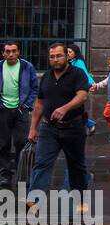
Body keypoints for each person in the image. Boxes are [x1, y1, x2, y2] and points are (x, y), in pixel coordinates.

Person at [27, 43, 90, 195]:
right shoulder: (46, 76)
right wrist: (33, 128)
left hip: (73, 128)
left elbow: (82, 96)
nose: (56, 59)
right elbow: (40, 103)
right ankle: (34, 202)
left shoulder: (77, 74)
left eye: (59, 56)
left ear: (67, 56)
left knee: (76, 167)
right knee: (41, 164)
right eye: (52, 57)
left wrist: (65, 108)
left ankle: (78, 201)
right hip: (49, 128)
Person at [0, 41, 37, 188]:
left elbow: (34, 87)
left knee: (22, 142)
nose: (11, 54)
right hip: (3, 110)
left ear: (18, 52)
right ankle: (5, 175)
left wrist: (27, 105)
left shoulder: (27, 66)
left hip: (21, 110)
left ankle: (22, 174)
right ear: (3, 53)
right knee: (3, 144)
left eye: (14, 51)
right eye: (7, 51)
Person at [66, 44, 95, 136]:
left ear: (75, 53)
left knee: (75, 108)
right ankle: (89, 124)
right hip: (71, 88)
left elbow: (85, 73)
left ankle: (89, 124)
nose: (68, 53)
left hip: (79, 89)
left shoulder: (78, 62)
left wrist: (92, 84)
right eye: (67, 51)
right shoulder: (70, 62)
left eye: (70, 52)